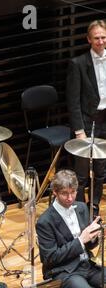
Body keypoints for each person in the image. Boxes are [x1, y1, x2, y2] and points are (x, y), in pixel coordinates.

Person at [36, 169, 105, 288]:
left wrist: (95, 236)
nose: (70, 198)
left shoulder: (82, 207)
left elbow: (88, 245)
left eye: (73, 192)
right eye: (64, 193)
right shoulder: (44, 221)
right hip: (63, 271)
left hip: (86, 264)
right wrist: (81, 240)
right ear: (55, 192)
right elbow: (50, 258)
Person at [66, 20, 106, 216]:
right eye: (96, 38)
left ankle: (95, 205)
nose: (100, 41)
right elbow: (73, 101)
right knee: (82, 172)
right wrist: (79, 130)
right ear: (89, 39)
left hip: (105, 120)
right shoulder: (78, 64)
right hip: (88, 120)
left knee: (100, 170)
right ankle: (81, 207)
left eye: (103, 37)